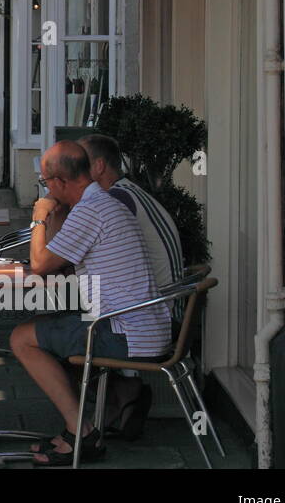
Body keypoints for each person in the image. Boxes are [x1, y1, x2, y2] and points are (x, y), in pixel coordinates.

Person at [10, 141, 171, 465]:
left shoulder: (90, 211)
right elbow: (58, 256)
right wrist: (56, 211)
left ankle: (81, 432)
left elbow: (40, 264)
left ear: (59, 182)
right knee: (53, 327)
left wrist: (39, 216)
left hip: (125, 332)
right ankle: (79, 426)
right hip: (144, 326)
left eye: (45, 182)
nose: (45, 189)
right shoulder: (102, 202)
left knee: (22, 338)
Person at [80, 133, 185, 436]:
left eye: (81, 163)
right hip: (170, 304)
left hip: (157, 314)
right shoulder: (130, 192)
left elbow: (76, 255)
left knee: (67, 332)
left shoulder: (113, 200)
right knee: (84, 311)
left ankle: (117, 399)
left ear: (98, 166)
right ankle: (122, 397)